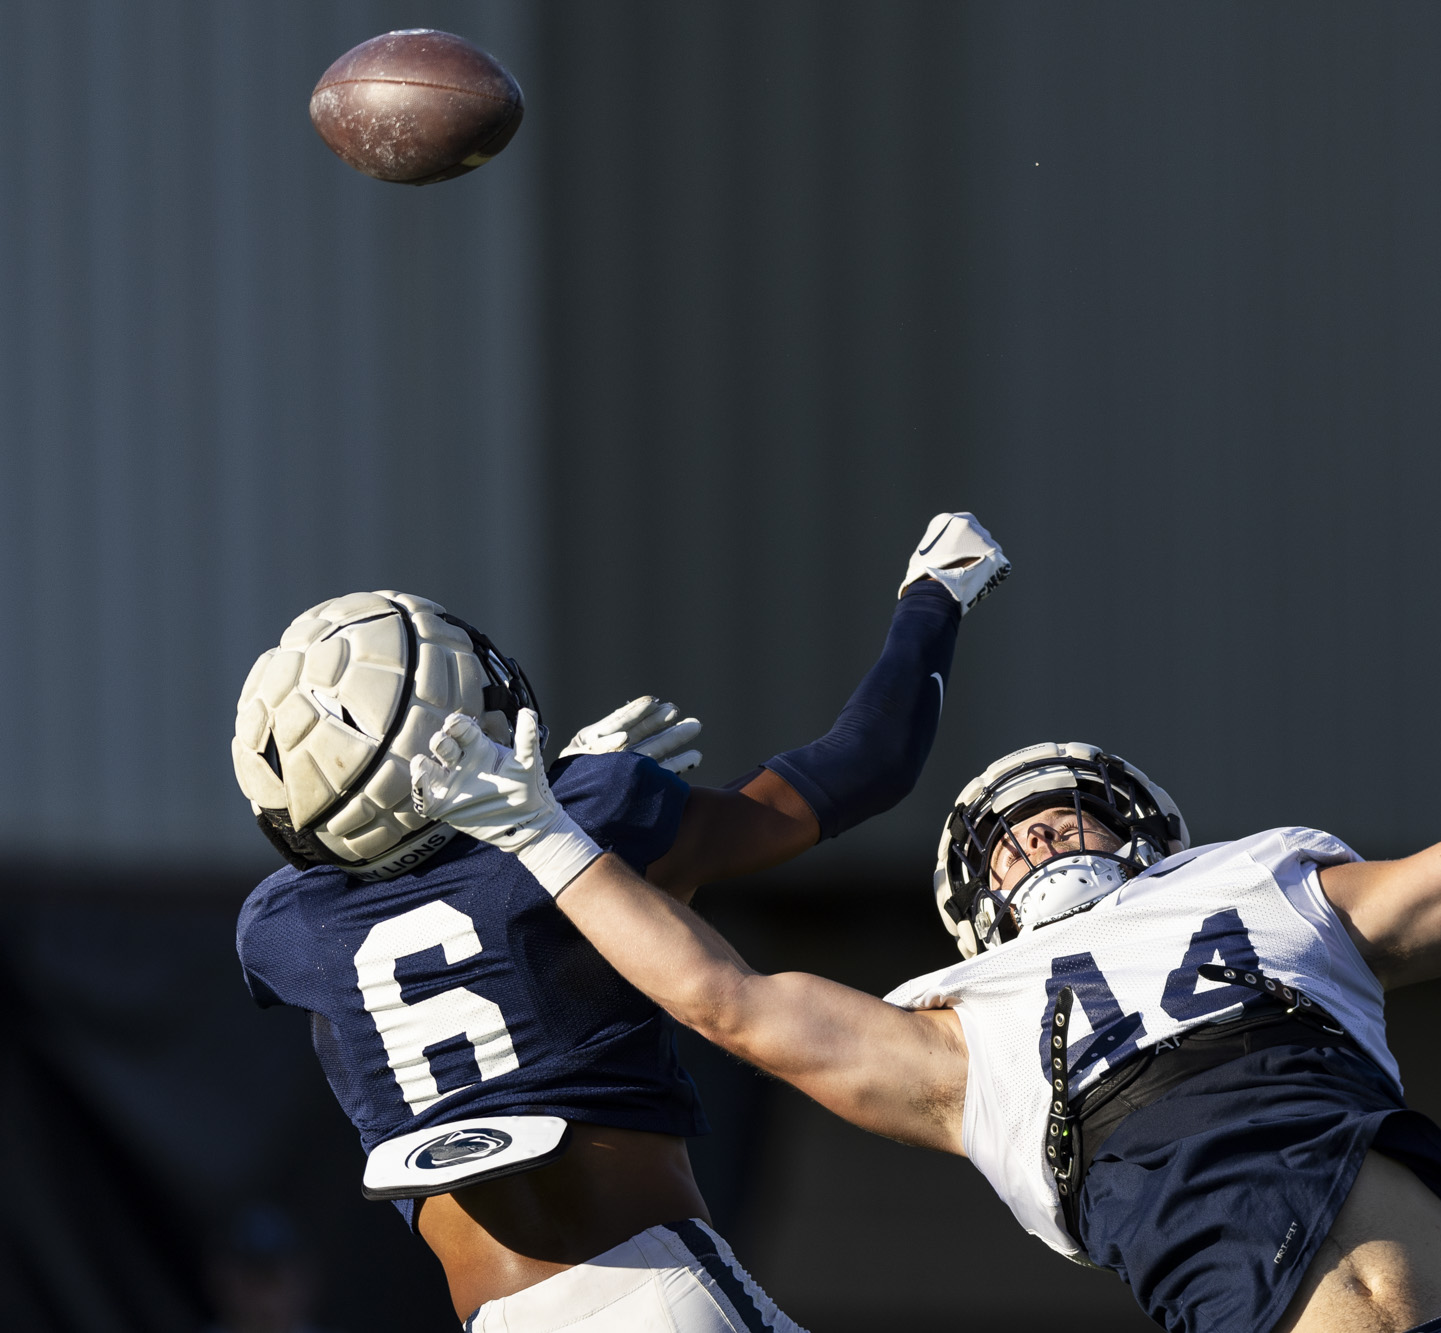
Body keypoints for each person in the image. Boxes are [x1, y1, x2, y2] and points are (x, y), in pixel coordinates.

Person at [409, 511, 1441, 1333]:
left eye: (1066, 809)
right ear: (970, 908)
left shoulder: (1281, 891)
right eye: (1005, 831)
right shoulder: (963, 1032)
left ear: (1153, 832)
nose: (1037, 831)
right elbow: (729, 1001)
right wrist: (537, 835)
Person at [230, 513, 1009, 1332]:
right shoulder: (597, 815)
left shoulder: (282, 927)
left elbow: (451, 909)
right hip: (652, 1289)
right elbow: (869, 761)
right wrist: (934, 597)